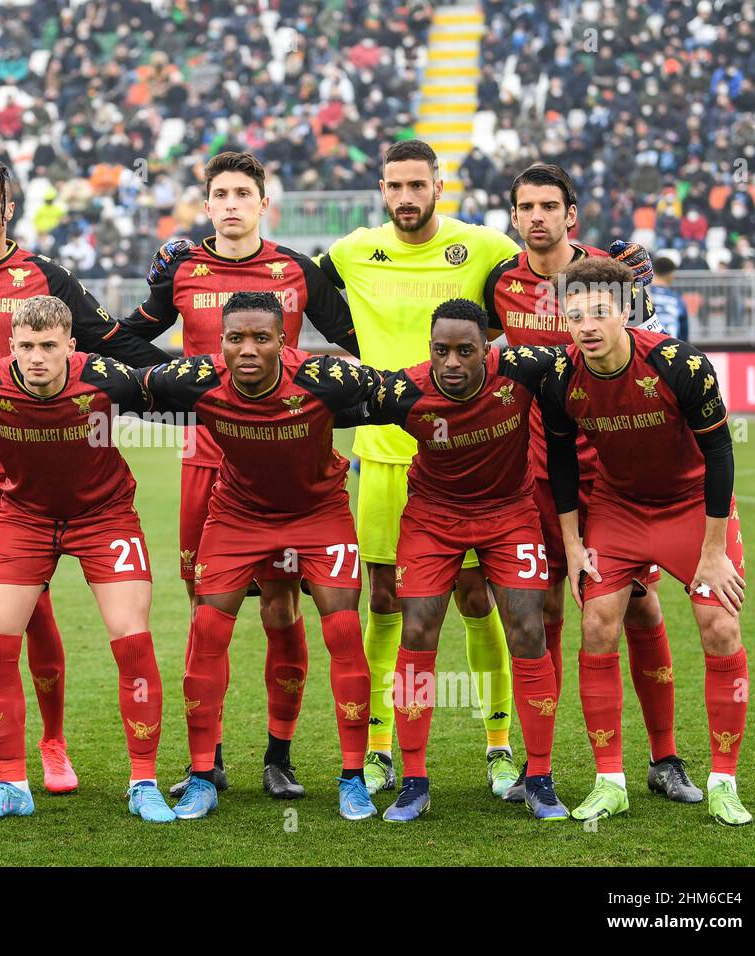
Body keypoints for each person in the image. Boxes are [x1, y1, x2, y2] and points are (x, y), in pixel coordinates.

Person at [0, 154, 171, 800]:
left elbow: (105, 338)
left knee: (34, 611)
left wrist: (175, 373)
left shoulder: (46, 277)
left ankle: (52, 744)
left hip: (31, 477)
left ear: (9, 207)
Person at [122, 150, 361, 801]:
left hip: (284, 461)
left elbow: (354, 336)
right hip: (208, 459)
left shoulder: (295, 269)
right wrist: (179, 386)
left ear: (263, 204)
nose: (230, 203)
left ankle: (278, 757)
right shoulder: (182, 268)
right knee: (209, 608)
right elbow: (125, 338)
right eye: (219, 193)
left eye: (241, 193)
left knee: (283, 607)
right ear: (206, 204)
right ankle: (210, 760)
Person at [483, 163, 700, 803]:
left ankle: (664, 758)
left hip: (610, 475)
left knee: (637, 604)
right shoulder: (502, 284)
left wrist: (647, 291)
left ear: (571, 213)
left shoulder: (608, 272)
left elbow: (644, 337)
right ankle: (538, 766)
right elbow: (479, 347)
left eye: (550, 205)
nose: (539, 217)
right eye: (527, 207)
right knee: (542, 606)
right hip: (536, 474)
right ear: (515, 217)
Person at [316, 139, 522, 796]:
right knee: (382, 601)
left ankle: (499, 744)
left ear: (439, 185)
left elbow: (537, 284)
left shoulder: (482, 246)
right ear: (383, 189)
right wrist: (357, 345)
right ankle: (379, 749)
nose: (406, 198)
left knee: (473, 597)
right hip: (382, 456)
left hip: (462, 457)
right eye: (395, 186)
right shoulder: (354, 250)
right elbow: (301, 286)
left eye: (417, 185)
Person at [140, 292, 383, 821]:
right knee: (207, 630)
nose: (247, 349)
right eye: (235, 339)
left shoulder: (325, 379)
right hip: (238, 515)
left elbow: (407, 393)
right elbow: (118, 383)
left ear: (283, 342)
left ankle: (349, 776)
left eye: (261, 338)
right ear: (220, 342)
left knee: (341, 631)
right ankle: (204, 774)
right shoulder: (195, 381)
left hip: (319, 514)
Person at [544, 257, 751, 826]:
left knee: (720, 627)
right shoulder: (560, 376)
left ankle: (723, 781)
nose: (587, 324)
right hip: (619, 511)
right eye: (576, 312)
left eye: (600, 312)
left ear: (626, 310)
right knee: (597, 624)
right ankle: (610, 780)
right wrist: (572, 543)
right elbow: (562, 463)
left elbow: (720, 454)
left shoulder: (679, 363)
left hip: (692, 510)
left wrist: (712, 552)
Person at [348, 299, 569, 821]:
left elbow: (591, 363)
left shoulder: (522, 371)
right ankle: (415, 778)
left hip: (510, 514)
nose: (452, 362)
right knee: (417, 630)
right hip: (432, 517)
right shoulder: (404, 390)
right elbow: (321, 403)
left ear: (486, 351)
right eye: (441, 350)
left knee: (528, 630)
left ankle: (538, 776)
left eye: (465, 351)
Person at [649, 257, 690, 341]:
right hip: (671, 348)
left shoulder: (642, 294)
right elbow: (683, 333)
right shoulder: (676, 299)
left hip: (646, 347)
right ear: (671, 275)